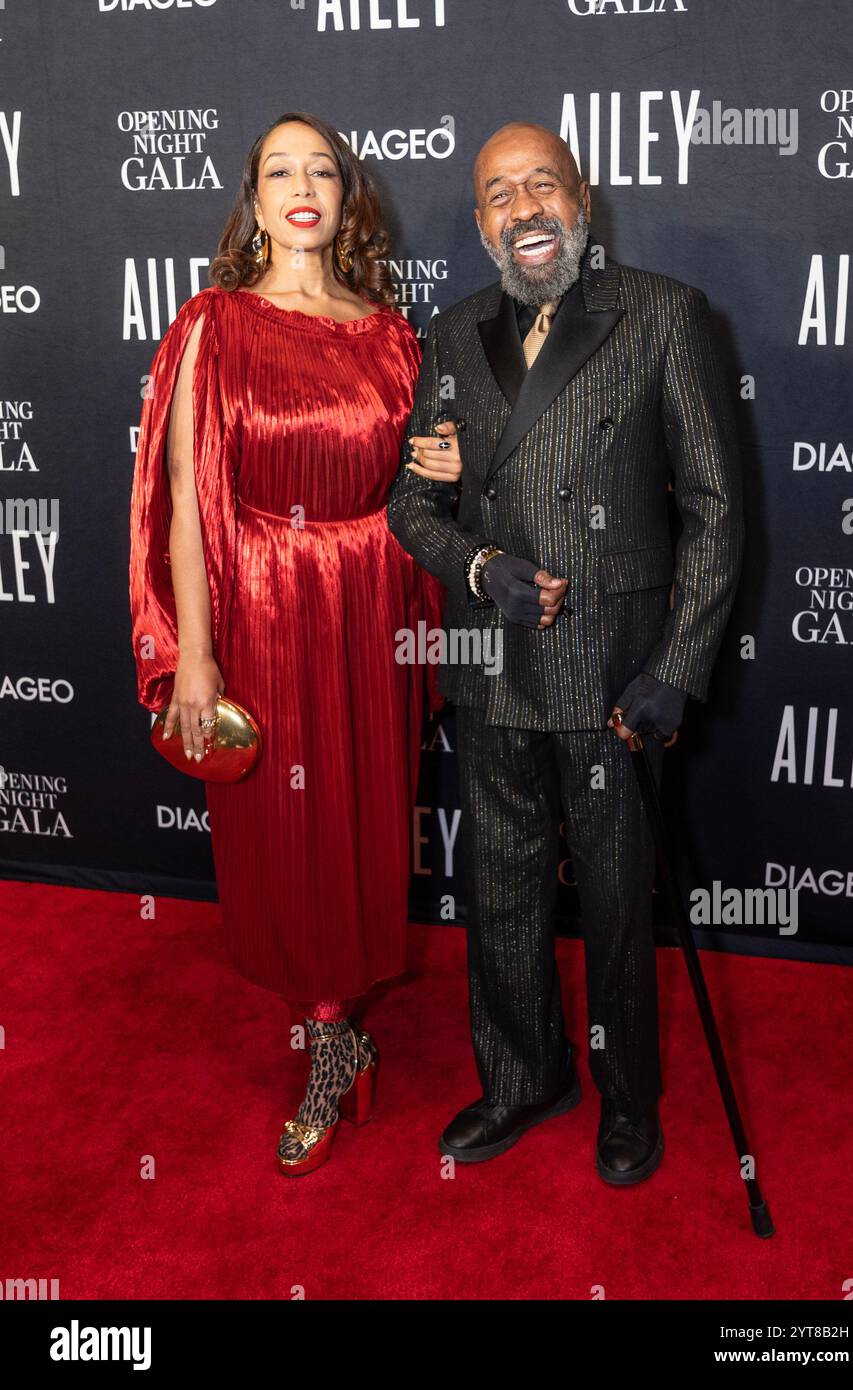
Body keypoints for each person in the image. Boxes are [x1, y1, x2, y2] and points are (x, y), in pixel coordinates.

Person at [388, 121, 744, 1185]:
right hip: (493, 671)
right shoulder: (452, 334)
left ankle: (628, 1098)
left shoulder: (661, 315)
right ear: (480, 219)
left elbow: (716, 512)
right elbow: (412, 502)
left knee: (617, 899)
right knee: (496, 893)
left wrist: (676, 665)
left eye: (540, 183)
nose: (523, 208)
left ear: (579, 196)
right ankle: (520, 1079)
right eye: (499, 194)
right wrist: (479, 557)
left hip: (613, 683)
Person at [129, 111, 462, 1177]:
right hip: (265, 605)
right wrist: (194, 650)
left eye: (321, 167)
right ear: (253, 197)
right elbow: (187, 501)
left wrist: (445, 475)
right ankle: (327, 1033)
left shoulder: (388, 332)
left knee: (363, 822)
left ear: (347, 194)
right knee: (286, 833)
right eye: (281, 169)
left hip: (372, 606)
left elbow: (418, 487)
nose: (303, 184)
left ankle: (341, 1023)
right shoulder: (213, 323)